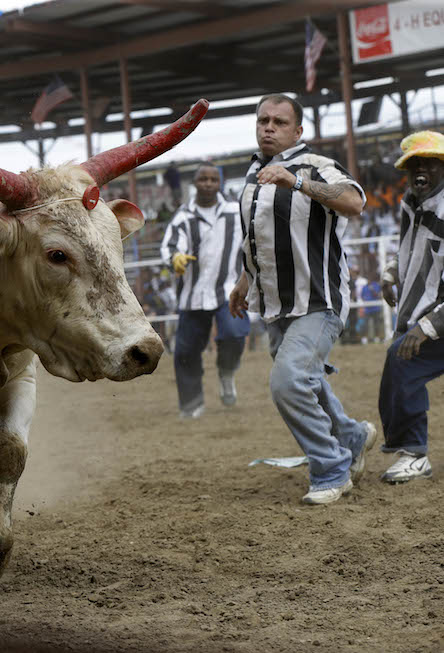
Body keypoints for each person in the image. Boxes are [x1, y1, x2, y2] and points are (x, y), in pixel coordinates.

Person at [229, 94, 375, 506]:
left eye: (278, 121)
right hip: (274, 305)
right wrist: (243, 282)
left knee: (289, 382)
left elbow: (354, 202)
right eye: (262, 120)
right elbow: (257, 237)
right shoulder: (253, 172)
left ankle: (332, 468)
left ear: (298, 130)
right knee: (306, 381)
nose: (268, 128)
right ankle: (352, 435)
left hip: (319, 302)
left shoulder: (316, 165)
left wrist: (296, 182)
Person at [377, 131, 444, 485]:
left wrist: (428, 326)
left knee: (402, 361)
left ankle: (414, 453)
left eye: (429, 162)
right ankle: (411, 450)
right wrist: (392, 271)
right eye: (414, 164)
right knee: (401, 364)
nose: (421, 170)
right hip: (423, 309)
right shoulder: (412, 202)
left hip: (436, 316)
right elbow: (411, 248)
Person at [160, 163, 249, 417]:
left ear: (219, 183)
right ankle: (192, 404)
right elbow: (169, 247)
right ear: (195, 183)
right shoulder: (183, 216)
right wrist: (175, 258)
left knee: (234, 334)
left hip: (229, 289)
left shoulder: (235, 211)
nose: (208, 183)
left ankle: (227, 371)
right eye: (203, 179)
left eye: (213, 179)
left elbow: (252, 240)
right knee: (186, 351)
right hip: (193, 292)